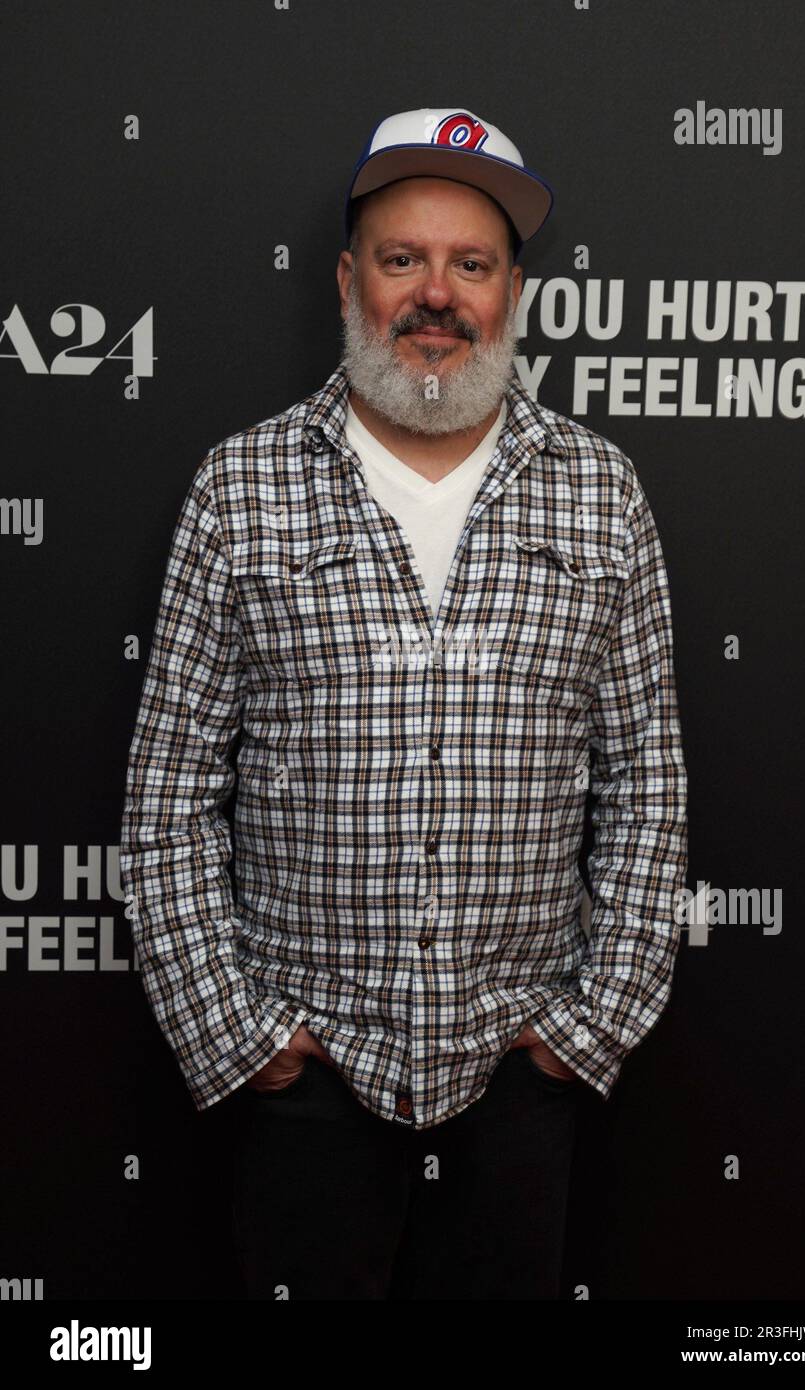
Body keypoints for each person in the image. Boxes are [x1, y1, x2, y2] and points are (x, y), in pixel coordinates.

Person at [119, 106, 689, 1300]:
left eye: (470, 264)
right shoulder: (241, 489)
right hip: (305, 1079)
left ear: (511, 291)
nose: (436, 294)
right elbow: (167, 796)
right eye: (401, 259)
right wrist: (241, 1035)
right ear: (347, 281)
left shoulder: (600, 493)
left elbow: (647, 785)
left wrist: (586, 1030)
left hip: (519, 1077)